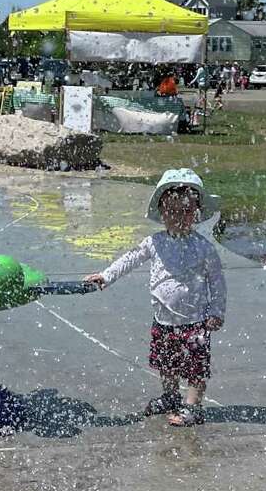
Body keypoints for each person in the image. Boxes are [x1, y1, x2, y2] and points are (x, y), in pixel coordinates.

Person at [84, 168, 225, 428]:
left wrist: (217, 311)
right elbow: (129, 259)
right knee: (166, 363)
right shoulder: (154, 242)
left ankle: (192, 407)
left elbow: (217, 281)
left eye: (186, 211)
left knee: (195, 368)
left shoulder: (204, 248)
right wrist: (106, 276)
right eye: (172, 211)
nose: (178, 217)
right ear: (162, 213)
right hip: (163, 321)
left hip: (195, 322)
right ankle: (170, 396)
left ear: (196, 213)